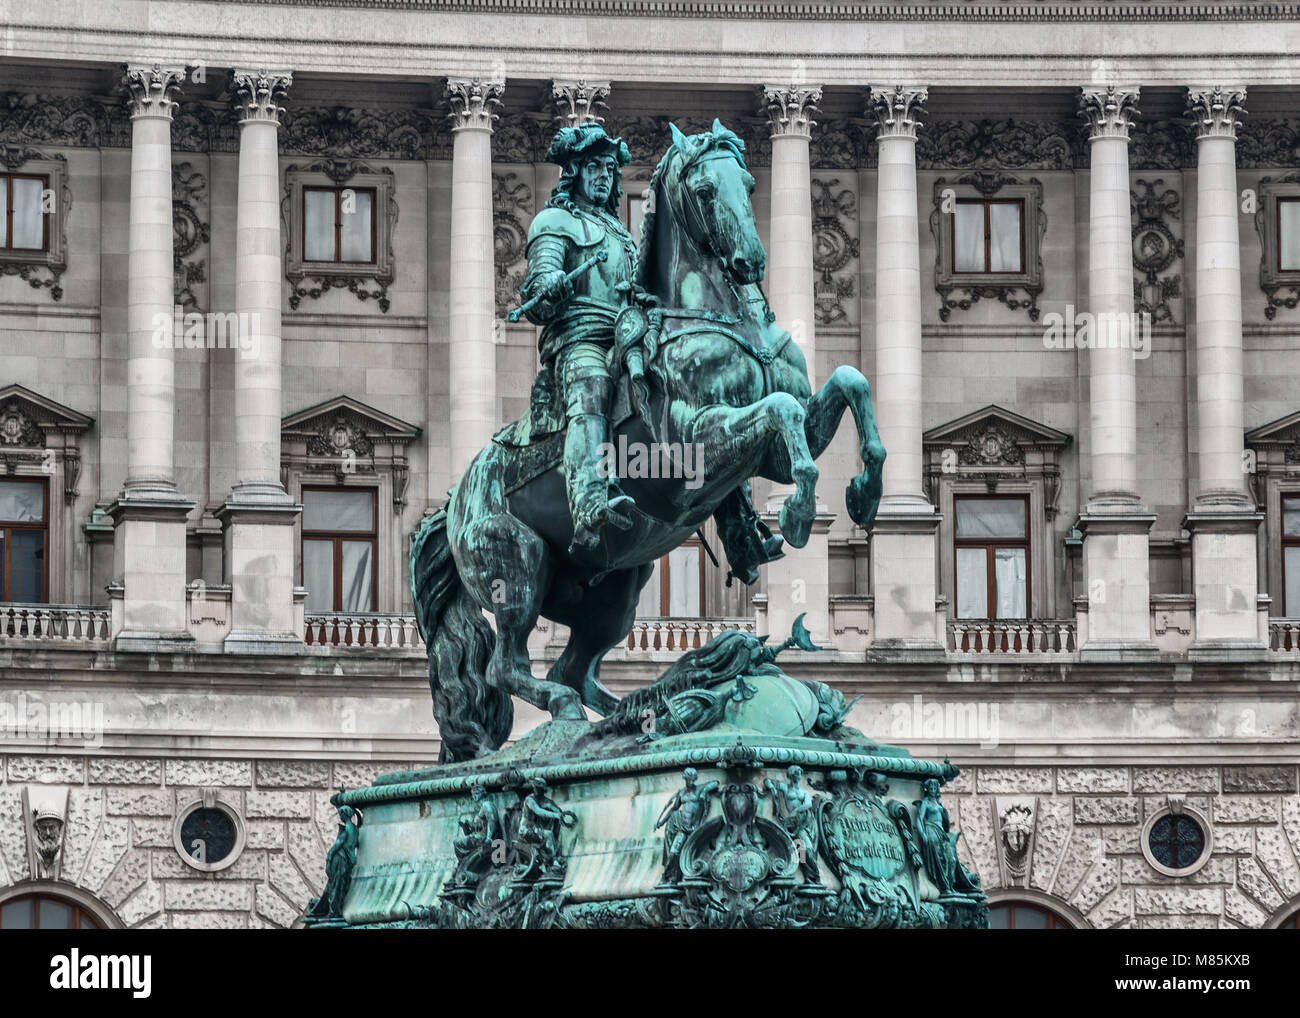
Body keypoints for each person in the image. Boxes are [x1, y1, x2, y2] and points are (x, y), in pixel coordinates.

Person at [520, 123, 642, 552]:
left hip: (630, 339)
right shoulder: (554, 221)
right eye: (594, 166)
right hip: (581, 340)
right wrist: (551, 285)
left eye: (609, 167)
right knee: (591, 384)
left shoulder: (623, 235)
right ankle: (590, 501)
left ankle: (735, 517)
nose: (604, 175)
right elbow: (537, 293)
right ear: (574, 171)